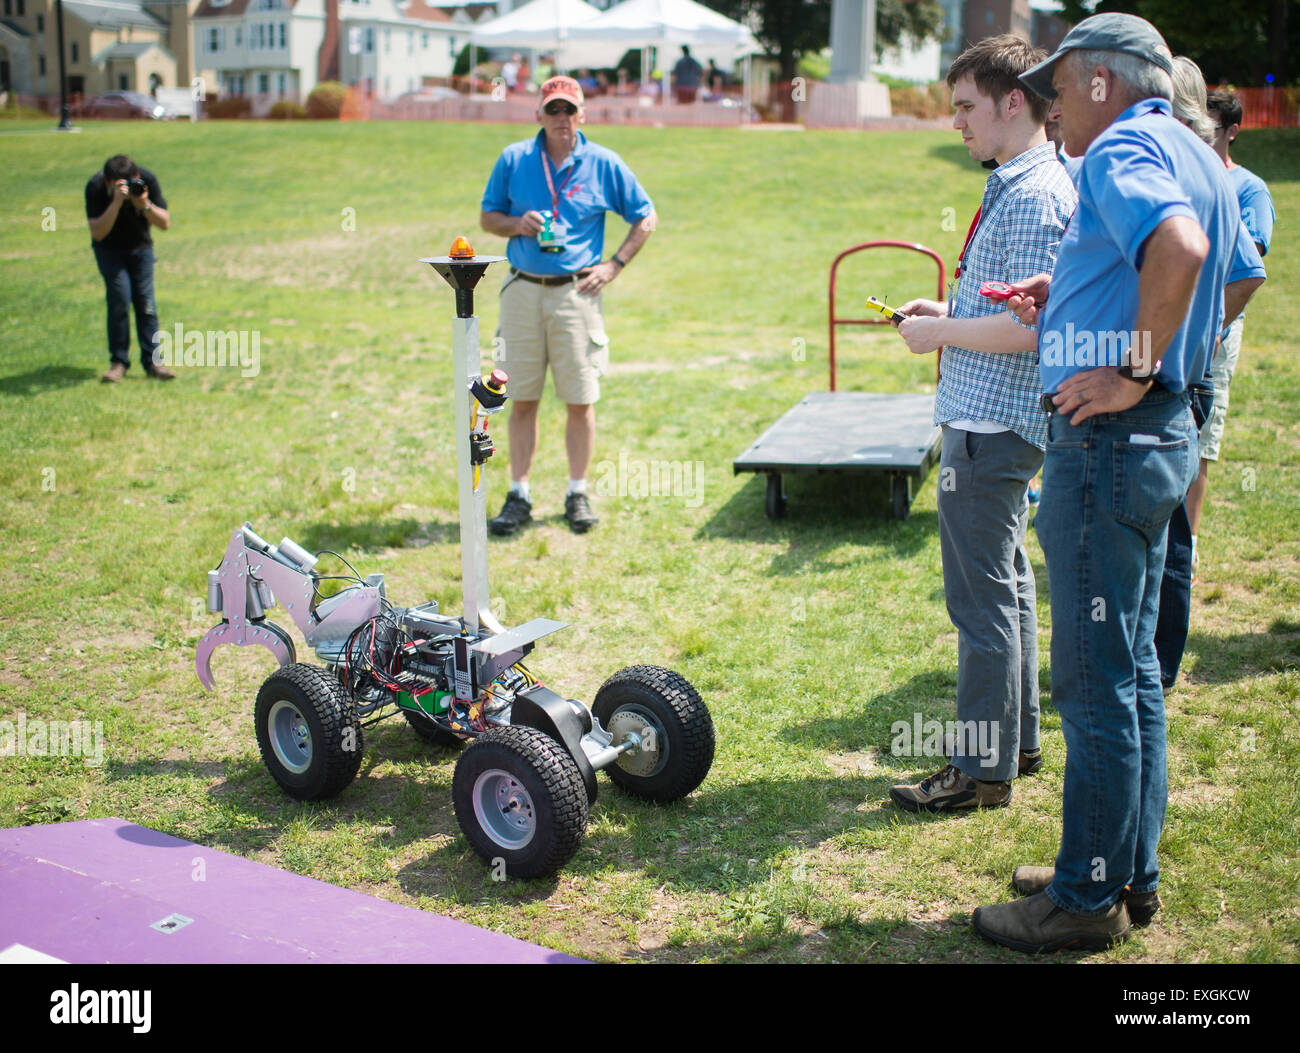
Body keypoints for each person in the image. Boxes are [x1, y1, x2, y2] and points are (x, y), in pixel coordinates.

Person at [972, 13, 1242, 953]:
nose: (1049, 99)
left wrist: (1131, 363)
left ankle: (1084, 897)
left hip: (1113, 438)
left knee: (1092, 687)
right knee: (1132, 676)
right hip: (1161, 435)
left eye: (1061, 79)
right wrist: (1079, 299)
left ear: (1103, 81)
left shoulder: (1122, 143)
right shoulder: (1198, 150)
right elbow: (1228, 267)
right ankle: (1127, 870)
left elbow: (1182, 250)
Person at [886, 36, 1076, 813]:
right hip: (995, 417)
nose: (955, 122)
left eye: (966, 106)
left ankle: (978, 771)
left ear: (1013, 102)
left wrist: (941, 334)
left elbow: (1033, 330)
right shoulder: (1018, 180)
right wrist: (954, 312)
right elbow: (1008, 306)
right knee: (1010, 583)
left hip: (993, 420)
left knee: (980, 600)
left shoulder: (1033, 193)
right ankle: (1014, 744)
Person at [479, 76, 657, 534]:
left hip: (578, 293)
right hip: (522, 289)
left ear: (583, 115)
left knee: (580, 399)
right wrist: (517, 224)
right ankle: (519, 495)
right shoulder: (514, 159)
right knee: (521, 398)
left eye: (569, 110)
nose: (562, 118)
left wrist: (614, 265)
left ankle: (577, 492)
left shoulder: (603, 163)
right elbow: (487, 216)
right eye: (553, 110)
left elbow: (646, 216)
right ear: (538, 114)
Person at [1152, 61, 1266, 690]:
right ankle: (1152, 663)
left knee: (1170, 525)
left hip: (1172, 378)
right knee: (1163, 526)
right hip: (1174, 372)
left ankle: (1155, 665)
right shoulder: (1205, 176)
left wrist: (1192, 334)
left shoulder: (1197, 179)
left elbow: (1245, 270)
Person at [1188, 88, 1275, 566]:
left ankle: (1188, 548)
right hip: (1172, 320)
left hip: (1218, 321)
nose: (1202, 138)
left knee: (1202, 434)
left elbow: (1250, 258)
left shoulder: (1246, 188)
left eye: (1212, 130)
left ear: (1232, 132)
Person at [85, 154, 173, 383]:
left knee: (146, 304)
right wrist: (115, 203)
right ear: (107, 181)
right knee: (119, 301)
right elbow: (97, 232)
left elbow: (164, 223)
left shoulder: (146, 181)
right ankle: (118, 362)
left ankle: (153, 362)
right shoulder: (95, 187)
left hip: (140, 249)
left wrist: (143, 204)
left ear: (135, 177)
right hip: (109, 251)